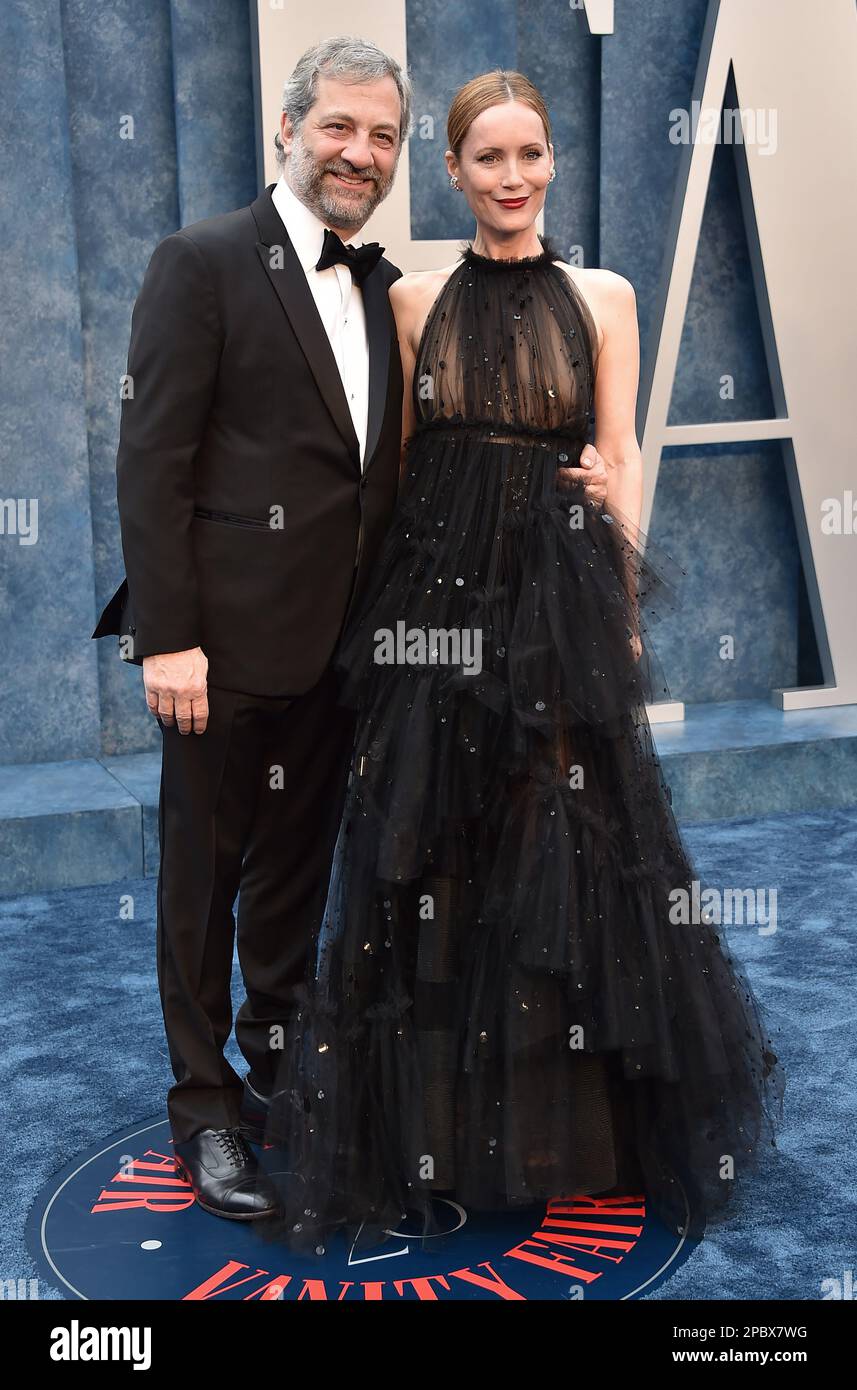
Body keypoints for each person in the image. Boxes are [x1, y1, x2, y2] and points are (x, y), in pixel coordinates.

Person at [252, 69, 786, 1257]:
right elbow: (390, 466)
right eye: (485, 159)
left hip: (554, 597)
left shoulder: (604, 293)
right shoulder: (413, 300)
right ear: (451, 172)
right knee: (425, 839)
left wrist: (621, 587)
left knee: (558, 830)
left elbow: (617, 449)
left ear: (550, 164)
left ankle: (561, 1126)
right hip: (431, 594)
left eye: (528, 155)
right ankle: (431, 1117)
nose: (509, 178)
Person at [91, 36, 415, 1219]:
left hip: (339, 653)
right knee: (201, 883)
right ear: (289, 127)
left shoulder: (382, 287)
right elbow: (152, 458)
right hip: (215, 654)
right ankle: (202, 1107)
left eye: (381, 136)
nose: (359, 152)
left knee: (294, 872)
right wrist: (166, 636)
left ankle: (277, 1061)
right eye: (339, 126)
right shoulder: (204, 260)